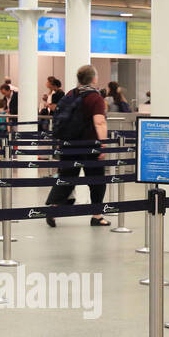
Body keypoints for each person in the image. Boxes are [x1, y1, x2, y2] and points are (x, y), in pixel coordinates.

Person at [43, 65, 110, 228]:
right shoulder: (95, 97)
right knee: (97, 181)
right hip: (89, 146)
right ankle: (97, 216)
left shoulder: (70, 94)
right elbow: (99, 121)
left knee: (67, 177)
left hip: (69, 145)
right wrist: (104, 144)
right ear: (94, 78)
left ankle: (53, 208)